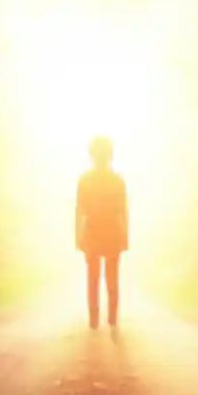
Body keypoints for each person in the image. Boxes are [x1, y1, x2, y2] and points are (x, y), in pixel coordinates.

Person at [76, 136, 128, 329]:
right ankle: (111, 318)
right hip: (112, 231)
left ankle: (94, 319)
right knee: (112, 277)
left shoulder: (85, 180)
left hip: (93, 231)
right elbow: (123, 210)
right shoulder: (117, 180)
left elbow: (80, 210)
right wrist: (125, 237)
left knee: (93, 277)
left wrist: (78, 237)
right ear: (110, 155)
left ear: (92, 155)